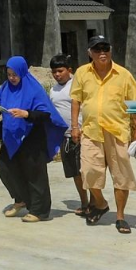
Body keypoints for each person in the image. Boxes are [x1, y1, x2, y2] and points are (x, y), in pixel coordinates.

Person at [69, 35, 136, 234]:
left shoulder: (124, 75)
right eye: (97, 49)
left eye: (105, 48)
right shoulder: (82, 72)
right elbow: (76, 100)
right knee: (89, 172)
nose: (102, 52)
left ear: (110, 50)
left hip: (117, 131)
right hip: (91, 131)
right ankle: (100, 203)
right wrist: (74, 127)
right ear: (90, 53)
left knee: (121, 177)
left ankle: (120, 217)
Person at [0, 56, 69, 222]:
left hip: (32, 137)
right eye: (9, 74)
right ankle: (21, 200)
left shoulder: (33, 88)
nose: (11, 78)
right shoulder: (6, 87)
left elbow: (45, 113)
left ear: (22, 72)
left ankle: (40, 211)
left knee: (35, 174)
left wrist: (26, 113)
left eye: (15, 74)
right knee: (6, 168)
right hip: (11, 136)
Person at [48, 53, 88, 216]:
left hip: (81, 134)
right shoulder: (53, 89)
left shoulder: (77, 86)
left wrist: (78, 128)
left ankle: (94, 202)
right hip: (65, 137)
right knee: (74, 172)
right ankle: (85, 202)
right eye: (54, 72)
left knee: (85, 171)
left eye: (60, 71)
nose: (57, 75)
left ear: (69, 70)